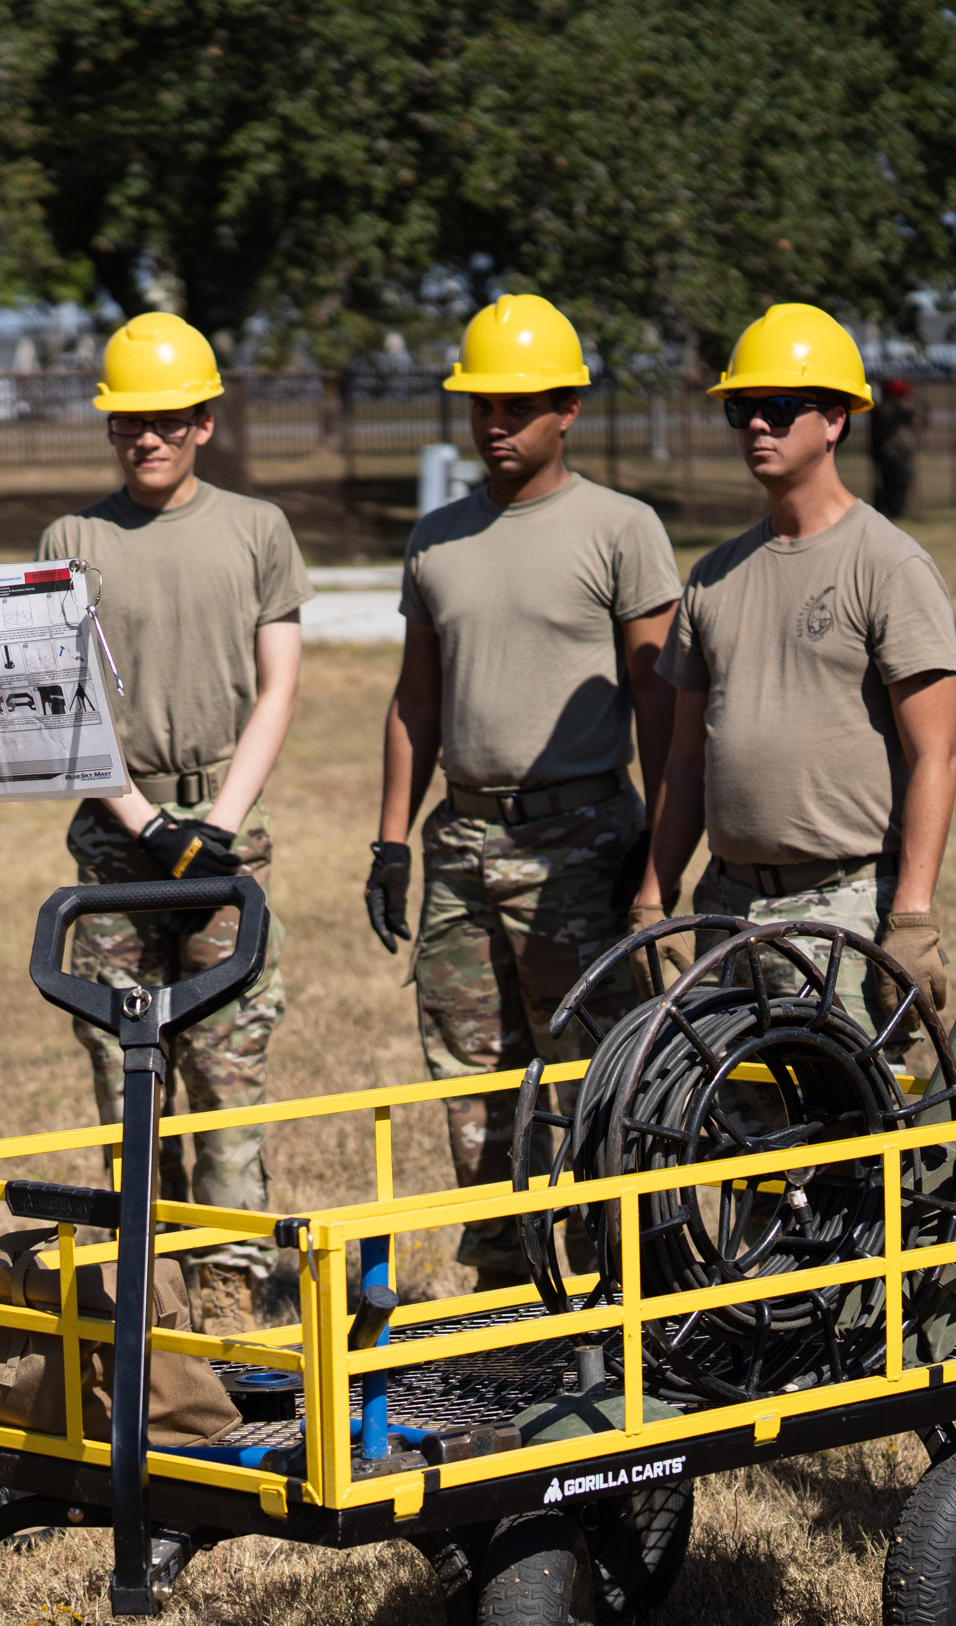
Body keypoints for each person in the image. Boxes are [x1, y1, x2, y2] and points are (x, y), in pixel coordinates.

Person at [367, 296, 682, 1289]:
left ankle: (607, 1287)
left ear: (566, 409)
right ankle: (504, 1280)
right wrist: (390, 842)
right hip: (461, 843)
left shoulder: (619, 531)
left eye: (517, 404)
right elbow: (414, 699)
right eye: (478, 405)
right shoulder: (437, 539)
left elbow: (656, 698)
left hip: (579, 842)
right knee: (469, 1082)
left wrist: (655, 850)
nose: (494, 423)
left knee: (591, 1073)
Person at [34, 310, 306, 1332]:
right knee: (123, 1066)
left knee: (226, 1059)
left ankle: (230, 1281)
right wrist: (142, 819)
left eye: (165, 419)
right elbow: (62, 696)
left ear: (202, 421)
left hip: (224, 822)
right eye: (125, 423)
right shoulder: (72, 539)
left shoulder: (255, 529)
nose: (144, 438)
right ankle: (141, 1283)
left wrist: (217, 824)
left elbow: (277, 684)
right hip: (116, 832)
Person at [632, 304, 956, 1033]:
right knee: (734, 1137)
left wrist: (911, 920)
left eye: (780, 408)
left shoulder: (889, 564)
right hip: (728, 909)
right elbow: (686, 761)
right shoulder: (713, 576)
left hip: (844, 910)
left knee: (851, 1139)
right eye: (743, 409)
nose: (757, 425)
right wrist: (655, 897)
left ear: (836, 420)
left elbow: (935, 753)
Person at [868, 377, 919, 519]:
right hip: (889, 455)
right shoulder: (884, 411)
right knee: (889, 484)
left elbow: (917, 419)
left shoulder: (906, 412)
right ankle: (890, 510)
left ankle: (898, 510)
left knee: (903, 481)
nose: (904, 400)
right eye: (900, 397)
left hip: (902, 454)